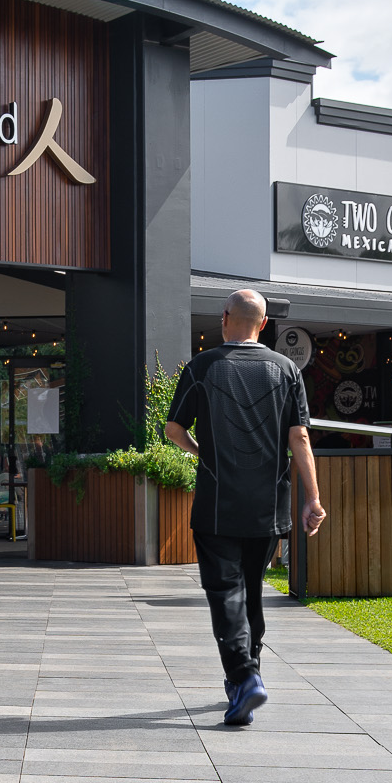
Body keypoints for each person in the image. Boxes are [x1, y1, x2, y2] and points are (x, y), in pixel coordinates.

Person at [166, 287, 325, 727]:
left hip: (217, 503)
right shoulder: (286, 370)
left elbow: (173, 429)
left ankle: (243, 677)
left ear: (224, 318)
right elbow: (300, 437)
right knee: (251, 592)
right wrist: (312, 498)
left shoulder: (202, 367)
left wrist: (203, 453)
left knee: (226, 593)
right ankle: (245, 682)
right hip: (268, 506)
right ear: (264, 323)